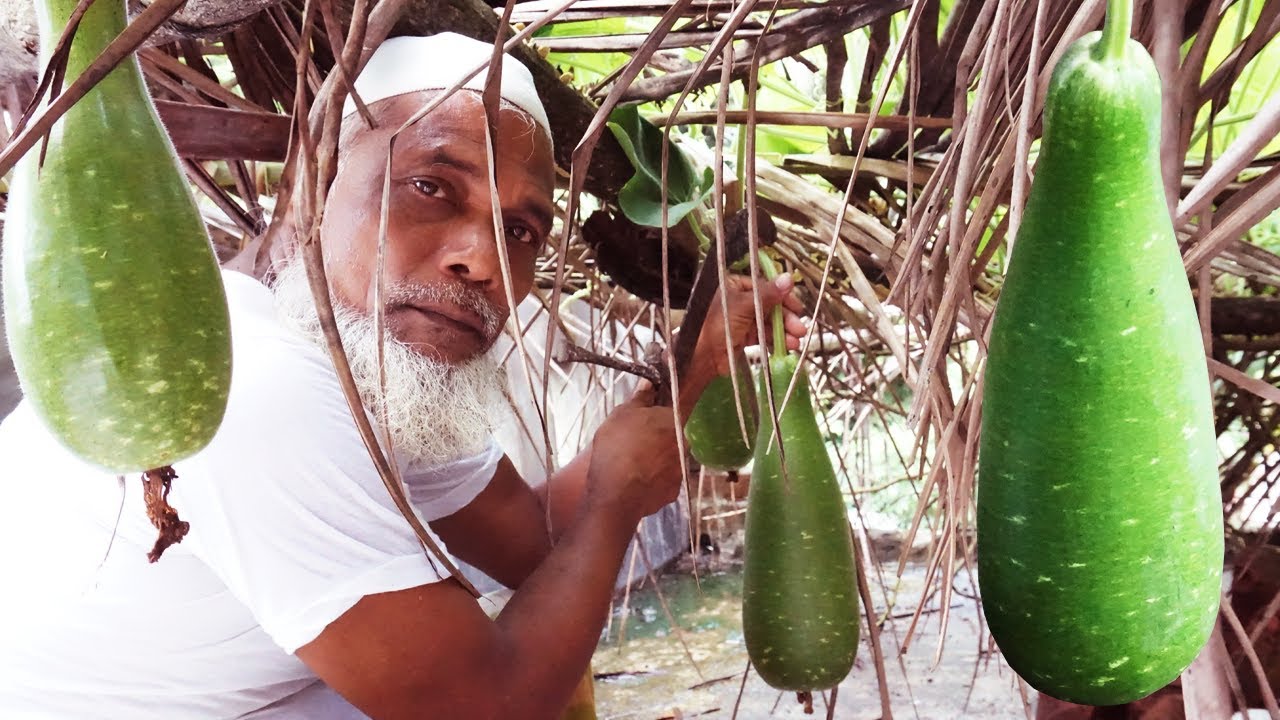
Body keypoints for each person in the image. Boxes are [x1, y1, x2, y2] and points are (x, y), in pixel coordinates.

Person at [0, 33, 805, 719]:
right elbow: (481, 706)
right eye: (430, 188)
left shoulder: (374, 362)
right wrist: (618, 504)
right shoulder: (257, 387)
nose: (483, 261)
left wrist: (694, 367)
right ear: (314, 177)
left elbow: (532, 543)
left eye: (521, 231)